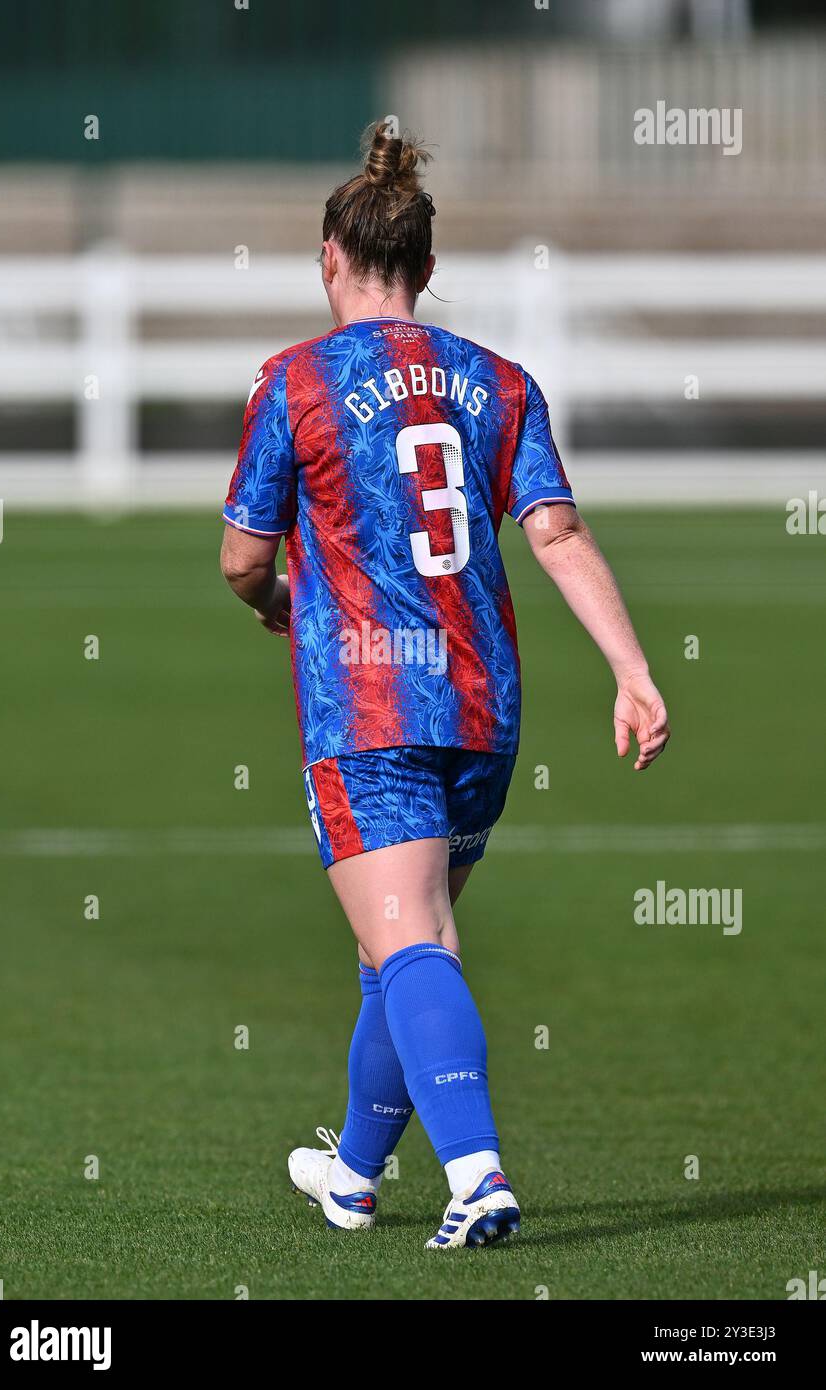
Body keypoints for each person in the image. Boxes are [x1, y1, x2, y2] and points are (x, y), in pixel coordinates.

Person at [220, 120, 670, 1250]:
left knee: (412, 938)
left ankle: (476, 1176)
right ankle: (354, 1177)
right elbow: (556, 532)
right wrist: (630, 671)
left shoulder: (294, 383)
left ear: (328, 256)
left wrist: (275, 603)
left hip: (370, 706)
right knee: (392, 942)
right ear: (424, 268)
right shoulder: (498, 381)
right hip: (484, 707)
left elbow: (240, 557)